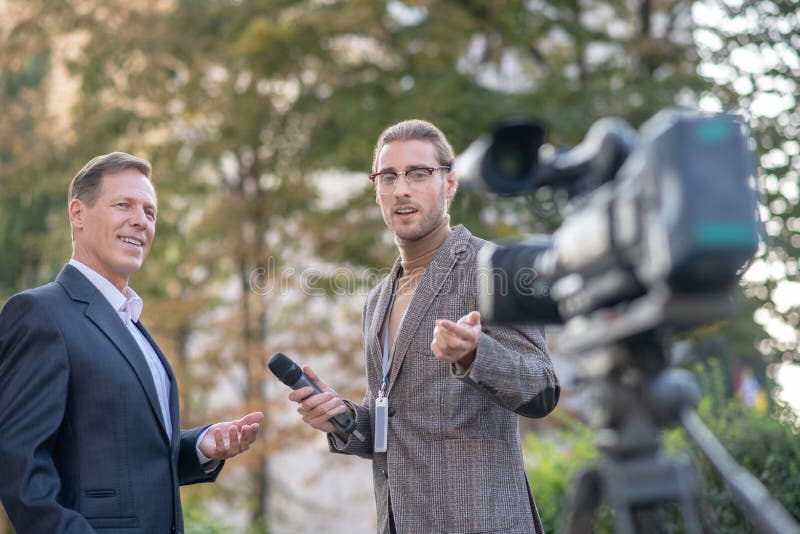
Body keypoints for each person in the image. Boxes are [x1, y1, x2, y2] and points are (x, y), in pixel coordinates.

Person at [288, 120, 560, 533]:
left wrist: (475, 354)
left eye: (419, 174)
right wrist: (340, 416)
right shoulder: (378, 300)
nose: (401, 189)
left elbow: (542, 389)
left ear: (450, 183)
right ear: (376, 189)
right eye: (388, 177)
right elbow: (391, 427)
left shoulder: (494, 269)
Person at [0, 152, 264, 533]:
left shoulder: (131, 324)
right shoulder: (40, 313)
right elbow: (17, 463)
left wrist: (202, 447)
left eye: (150, 212)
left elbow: (132, 460)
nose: (140, 220)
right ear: (78, 213)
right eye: (123, 205)